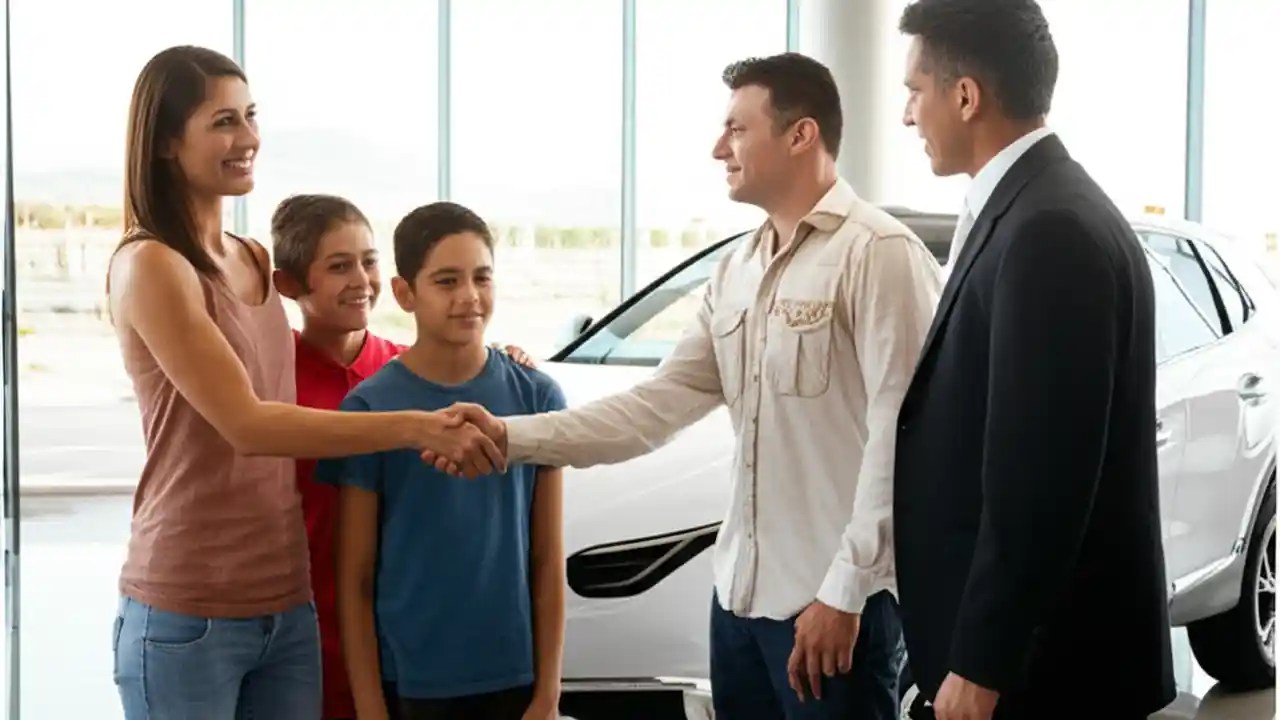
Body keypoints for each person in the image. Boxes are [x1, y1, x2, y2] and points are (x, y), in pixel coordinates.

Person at [440, 53, 942, 719]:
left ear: (801, 135)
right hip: (736, 606)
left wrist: (846, 593)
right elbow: (653, 408)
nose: (718, 148)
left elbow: (903, 442)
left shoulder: (879, 254)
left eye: (737, 129)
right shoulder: (737, 268)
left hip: (831, 609)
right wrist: (508, 437)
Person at [107, 46, 498, 720]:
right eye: (223, 121)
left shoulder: (252, 258)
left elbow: (345, 356)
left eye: (251, 116)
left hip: (287, 607)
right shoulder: (152, 265)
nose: (249, 137)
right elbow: (249, 424)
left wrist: (490, 358)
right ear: (167, 141)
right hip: (189, 610)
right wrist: (418, 428)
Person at [891, 2, 1176, 719]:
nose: (907, 115)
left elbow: (1041, 478)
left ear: (966, 96)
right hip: (1039, 660)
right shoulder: (1036, 207)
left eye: (915, 91)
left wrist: (980, 663)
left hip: (1044, 675)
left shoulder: (1049, 230)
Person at [270, 193, 536, 719]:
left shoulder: (404, 375)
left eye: (368, 261)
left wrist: (508, 362)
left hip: (397, 628)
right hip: (304, 620)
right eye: (339, 266)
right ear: (289, 284)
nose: (361, 281)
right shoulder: (273, 379)